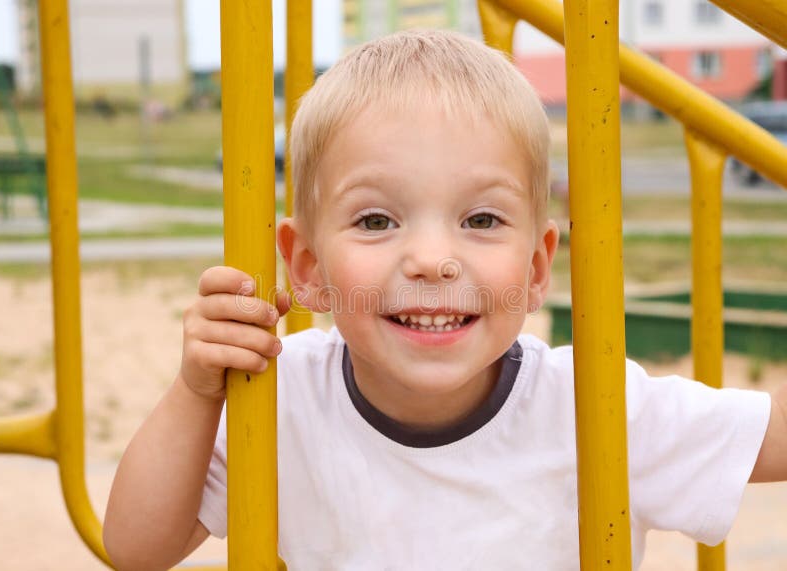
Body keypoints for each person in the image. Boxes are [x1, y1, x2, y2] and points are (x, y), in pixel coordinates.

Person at [103, 30, 787, 570]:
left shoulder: (592, 407)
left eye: (482, 220)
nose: (432, 259)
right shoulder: (282, 399)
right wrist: (197, 391)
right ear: (307, 267)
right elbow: (137, 547)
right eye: (377, 221)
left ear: (538, 264)